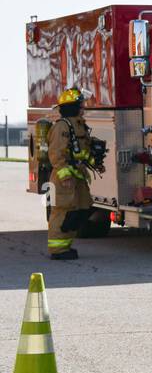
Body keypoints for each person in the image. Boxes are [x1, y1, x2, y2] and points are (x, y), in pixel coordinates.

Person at [46, 88, 95, 261]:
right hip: (64, 178)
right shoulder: (62, 126)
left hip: (78, 176)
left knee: (83, 209)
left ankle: (65, 245)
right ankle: (58, 250)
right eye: (80, 104)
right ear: (73, 106)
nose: (83, 107)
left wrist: (95, 161)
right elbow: (56, 153)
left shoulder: (78, 124)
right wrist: (65, 175)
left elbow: (82, 151)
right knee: (62, 212)